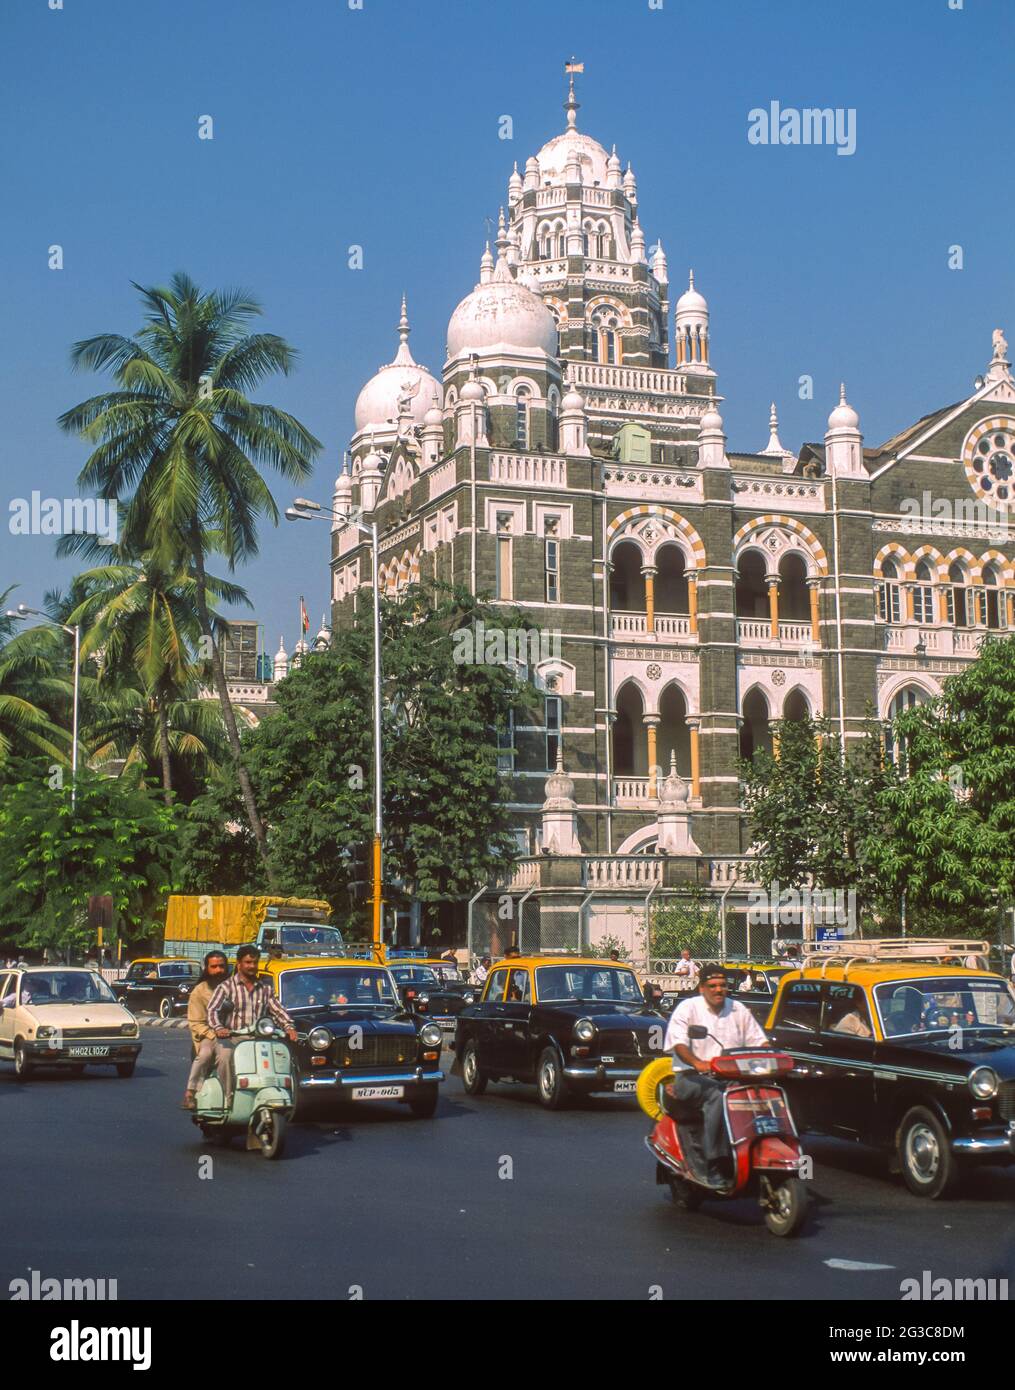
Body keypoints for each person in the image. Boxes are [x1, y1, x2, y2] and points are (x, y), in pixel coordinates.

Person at [664, 963, 770, 1189]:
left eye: (722, 985)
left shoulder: (737, 1009)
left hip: (731, 1077)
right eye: (712, 985)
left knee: (765, 1093)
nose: (718, 990)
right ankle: (714, 1162)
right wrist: (697, 1062)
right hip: (691, 1078)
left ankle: (753, 1152)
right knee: (719, 1096)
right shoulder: (688, 1008)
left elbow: (759, 1040)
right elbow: (679, 1044)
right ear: (702, 988)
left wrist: (768, 1052)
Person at [205, 945, 298, 1107]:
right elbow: (212, 1010)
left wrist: (289, 1027)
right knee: (225, 1057)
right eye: (248, 962)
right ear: (239, 964)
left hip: (260, 1038)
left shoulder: (265, 989)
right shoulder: (226, 987)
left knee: (283, 1056)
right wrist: (219, 1028)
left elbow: (278, 1010)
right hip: (233, 1037)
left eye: (254, 962)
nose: (252, 966)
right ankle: (229, 1098)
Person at [181, 951, 230, 1110]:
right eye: (213, 966)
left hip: (238, 1034)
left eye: (221, 966)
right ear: (207, 968)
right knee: (207, 1055)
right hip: (210, 1034)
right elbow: (195, 1023)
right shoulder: (199, 991)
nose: (218, 970)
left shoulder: (236, 987)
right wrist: (215, 1034)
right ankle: (191, 1093)